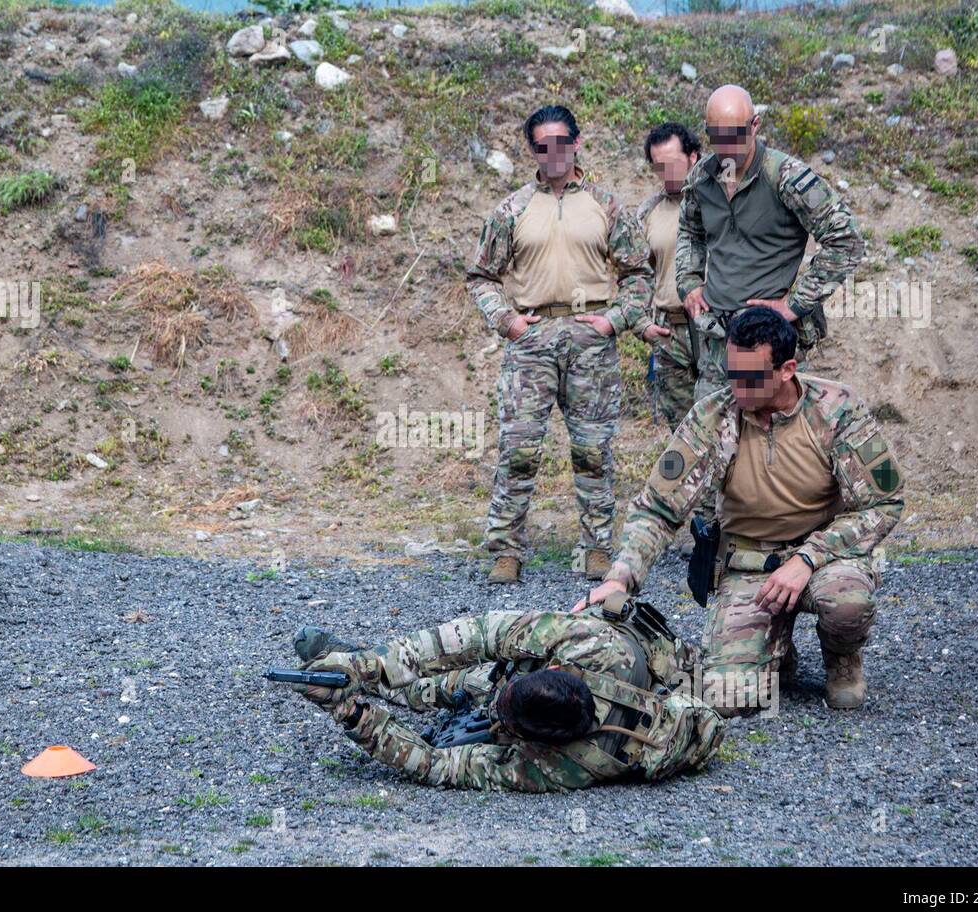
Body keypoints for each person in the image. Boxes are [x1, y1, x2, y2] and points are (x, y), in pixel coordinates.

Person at [578, 308, 904, 714]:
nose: (738, 388)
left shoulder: (836, 409)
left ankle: (841, 657)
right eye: (733, 374)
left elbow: (885, 502)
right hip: (750, 564)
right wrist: (620, 579)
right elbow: (658, 509)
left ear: (787, 370)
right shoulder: (713, 417)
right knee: (728, 698)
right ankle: (774, 648)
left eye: (751, 378)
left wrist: (808, 557)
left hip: (824, 558)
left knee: (848, 602)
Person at [467, 105, 652, 586]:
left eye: (562, 142)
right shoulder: (512, 209)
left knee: (593, 452)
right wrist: (506, 320)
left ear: (576, 142)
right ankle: (506, 552)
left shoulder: (606, 204)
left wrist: (614, 321)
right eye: (542, 145)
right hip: (531, 342)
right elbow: (481, 276)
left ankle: (596, 548)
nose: (553, 153)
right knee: (519, 450)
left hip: (590, 340)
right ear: (531, 149)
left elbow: (638, 276)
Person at [288, 606, 724, 792]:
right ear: (554, 668)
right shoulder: (588, 644)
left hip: (660, 694)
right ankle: (358, 668)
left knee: (461, 691)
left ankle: (358, 680)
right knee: (462, 681)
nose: (492, 714)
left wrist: (349, 713)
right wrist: (365, 665)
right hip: (652, 660)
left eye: (503, 722)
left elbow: (436, 766)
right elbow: (478, 635)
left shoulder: (559, 768)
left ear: (535, 743)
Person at [676, 85, 865, 403]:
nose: (725, 147)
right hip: (717, 340)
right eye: (716, 136)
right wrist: (689, 280)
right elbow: (689, 231)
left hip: (769, 346)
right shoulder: (701, 178)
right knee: (713, 441)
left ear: (755, 125)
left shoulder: (786, 178)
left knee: (777, 435)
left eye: (735, 135)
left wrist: (797, 304)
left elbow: (846, 239)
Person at [635, 122, 703, 430]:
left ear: (693, 156)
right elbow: (633, 275)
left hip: (718, 331)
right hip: (670, 335)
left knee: (730, 426)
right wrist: (641, 323)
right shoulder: (649, 211)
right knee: (684, 432)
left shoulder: (724, 201)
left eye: (673, 163)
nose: (667, 173)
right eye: (658, 167)